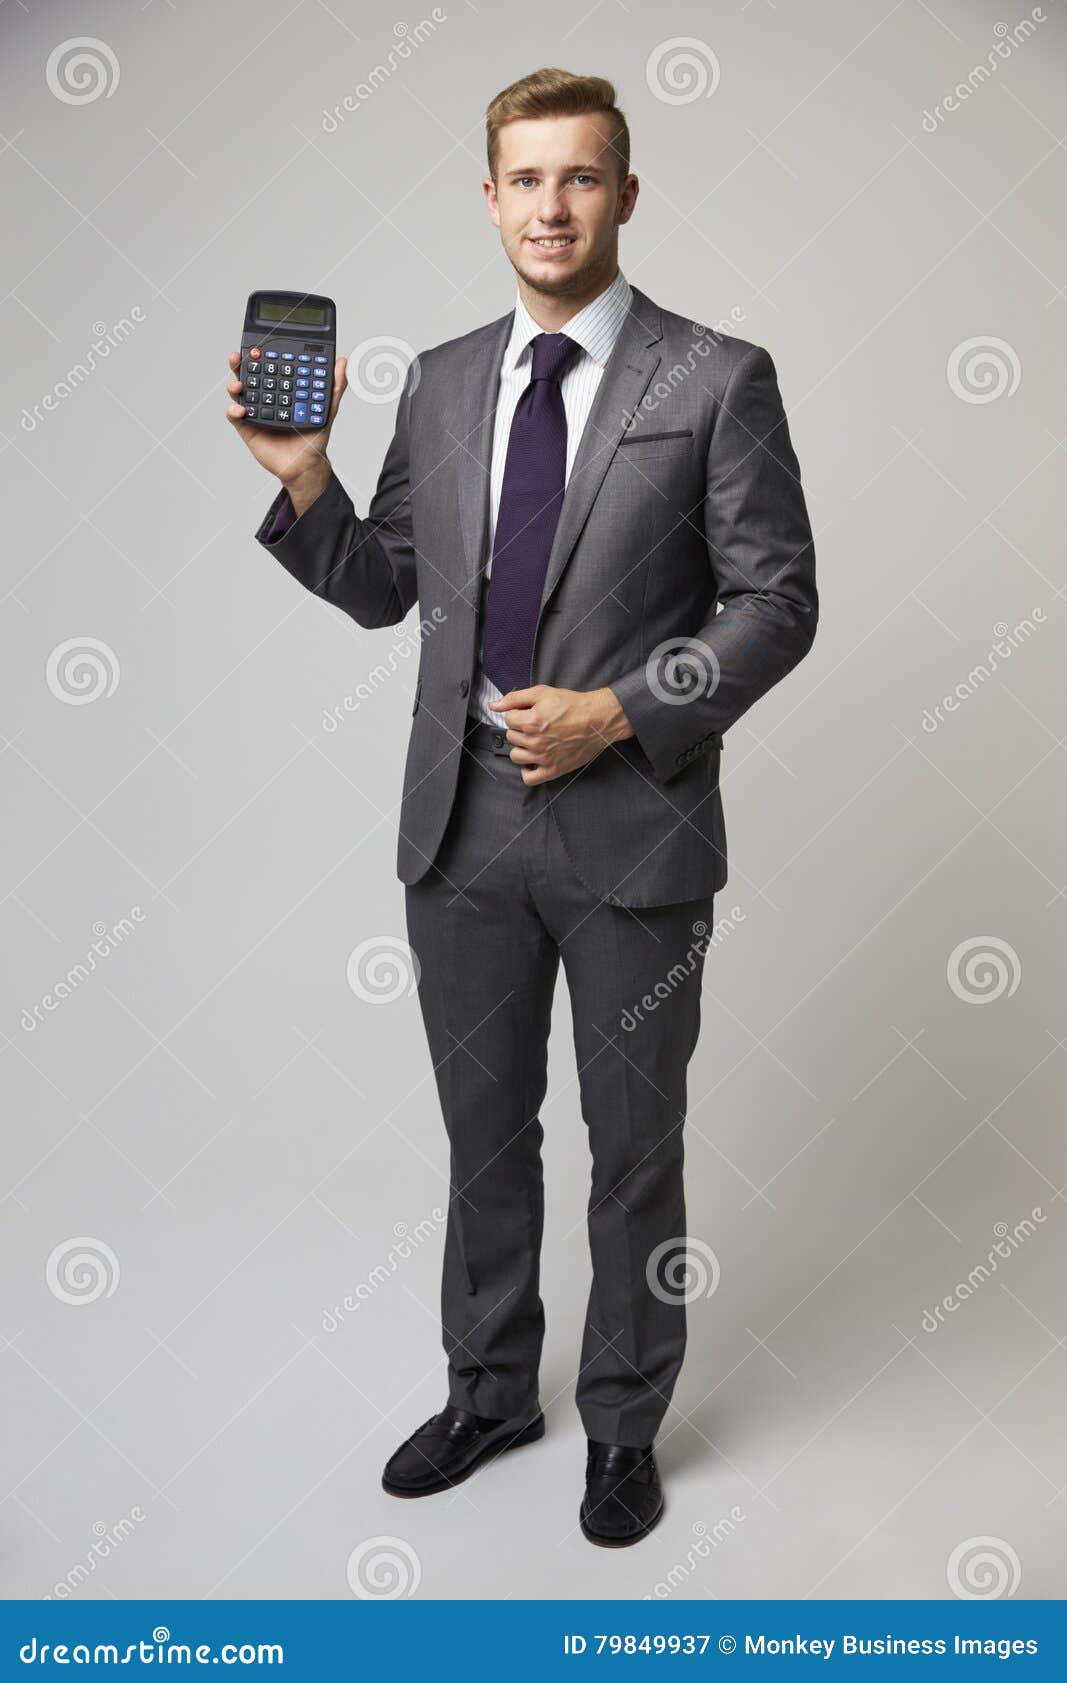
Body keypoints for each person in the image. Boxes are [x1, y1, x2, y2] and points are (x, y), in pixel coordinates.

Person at [225, 66, 817, 1548]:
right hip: (463, 824)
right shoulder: (431, 380)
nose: (551, 207)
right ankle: (491, 1390)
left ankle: (624, 1424)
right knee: (486, 1139)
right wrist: (304, 484)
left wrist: (623, 707)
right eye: (525, 180)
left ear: (625, 192)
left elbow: (778, 602)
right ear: (489, 197)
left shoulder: (717, 376)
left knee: (635, 1144)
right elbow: (388, 591)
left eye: (581, 177)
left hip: (634, 825)